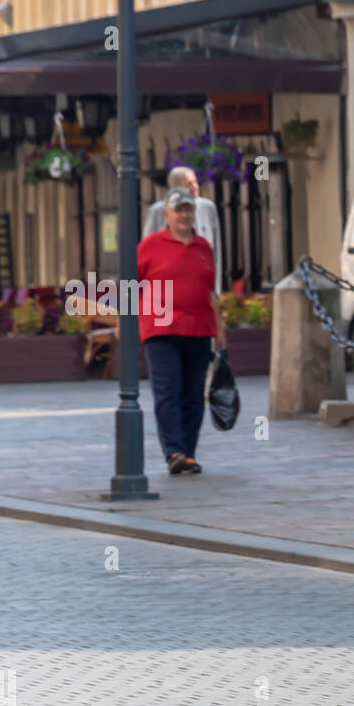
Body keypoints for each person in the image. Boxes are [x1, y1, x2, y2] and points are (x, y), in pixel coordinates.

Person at [137, 186, 227, 475]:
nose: (185, 215)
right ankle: (174, 450)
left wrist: (220, 329)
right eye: (179, 210)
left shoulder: (203, 248)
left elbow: (209, 291)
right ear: (167, 214)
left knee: (192, 394)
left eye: (189, 209)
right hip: (161, 329)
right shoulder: (150, 245)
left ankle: (187, 454)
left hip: (199, 329)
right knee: (168, 390)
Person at [144, 166, 223, 296]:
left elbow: (216, 254)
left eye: (196, 182)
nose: (195, 187)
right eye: (189, 184)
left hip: (201, 288)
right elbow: (147, 254)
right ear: (175, 187)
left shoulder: (207, 208)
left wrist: (216, 290)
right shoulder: (158, 211)